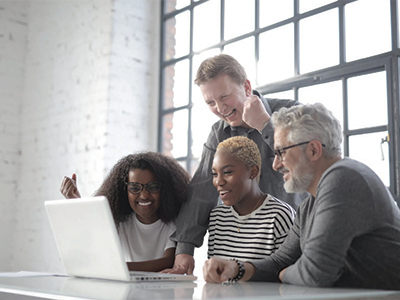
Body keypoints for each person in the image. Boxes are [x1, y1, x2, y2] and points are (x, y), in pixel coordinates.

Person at [202, 103, 400, 290]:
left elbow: (315, 273)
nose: (275, 164)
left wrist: (284, 274)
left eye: (281, 152)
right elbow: (280, 261)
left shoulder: (343, 177)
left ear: (314, 150)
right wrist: (236, 269)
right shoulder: (310, 204)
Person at [168, 54, 304, 274]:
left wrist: (264, 125)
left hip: (290, 246)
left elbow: (305, 162)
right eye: (210, 102)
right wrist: (185, 248)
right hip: (240, 250)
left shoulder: (291, 113)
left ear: (247, 87)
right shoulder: (218, 133)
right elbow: (201, 191)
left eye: (224, 97)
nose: (220, 108)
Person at [60, 152, 190, 272]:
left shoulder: (174, 221)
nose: (144, 195)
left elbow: (168, 261)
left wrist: (117, 268)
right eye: (134, 188)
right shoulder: (118, 221)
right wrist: (76, 202)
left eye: (153, 187)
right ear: (124, 190)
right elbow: (89, 242)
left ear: (165, 189)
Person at [208, 136, 295, 261]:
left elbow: (288, 274)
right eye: (215, 174)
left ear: (253, 172)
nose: (219, 181)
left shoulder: (279, 216)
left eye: (227, 172)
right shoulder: (217, 217)